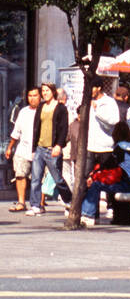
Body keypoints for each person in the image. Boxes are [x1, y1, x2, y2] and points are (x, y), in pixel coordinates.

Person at [79, 121, 130, 227]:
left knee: (96, 185)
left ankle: (87, 215)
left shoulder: (119, 147)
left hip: (127, 183)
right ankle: (121, 218)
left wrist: (94, 173)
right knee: (114, 186)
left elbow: (109, 164)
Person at [27, 83, 73, 214]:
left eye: (47, 90)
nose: (44, 93)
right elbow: (36, 127)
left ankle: (69, 200)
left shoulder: (61, 108)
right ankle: (35, 205)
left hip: (52, 148)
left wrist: (58, 145)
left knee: (57, 178)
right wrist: (33, 148)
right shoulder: (41, 106)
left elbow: (63, 129)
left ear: (53, 92)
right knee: (36, 178)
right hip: (40, 147)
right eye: (43, 91)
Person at [5, 87, 39, 213]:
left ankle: (39, 203)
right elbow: (16, 131)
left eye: (35, 95)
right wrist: (10, 147)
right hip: (22, 148)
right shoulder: (23, 112)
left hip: (39, 149)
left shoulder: (43, 111)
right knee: (20, 174)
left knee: (38, 177)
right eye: (30, 95)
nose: (32, 98)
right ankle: (21, 202)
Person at [86, 83, 121, 170]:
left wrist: (97, 110)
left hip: (105, 148)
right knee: (87, 176)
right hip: (90, 147)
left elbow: (114, 120)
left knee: (105, 177)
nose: (90, 90)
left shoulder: (109, 102)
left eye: (92, 87)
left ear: (99, 88)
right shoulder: (88, 101)